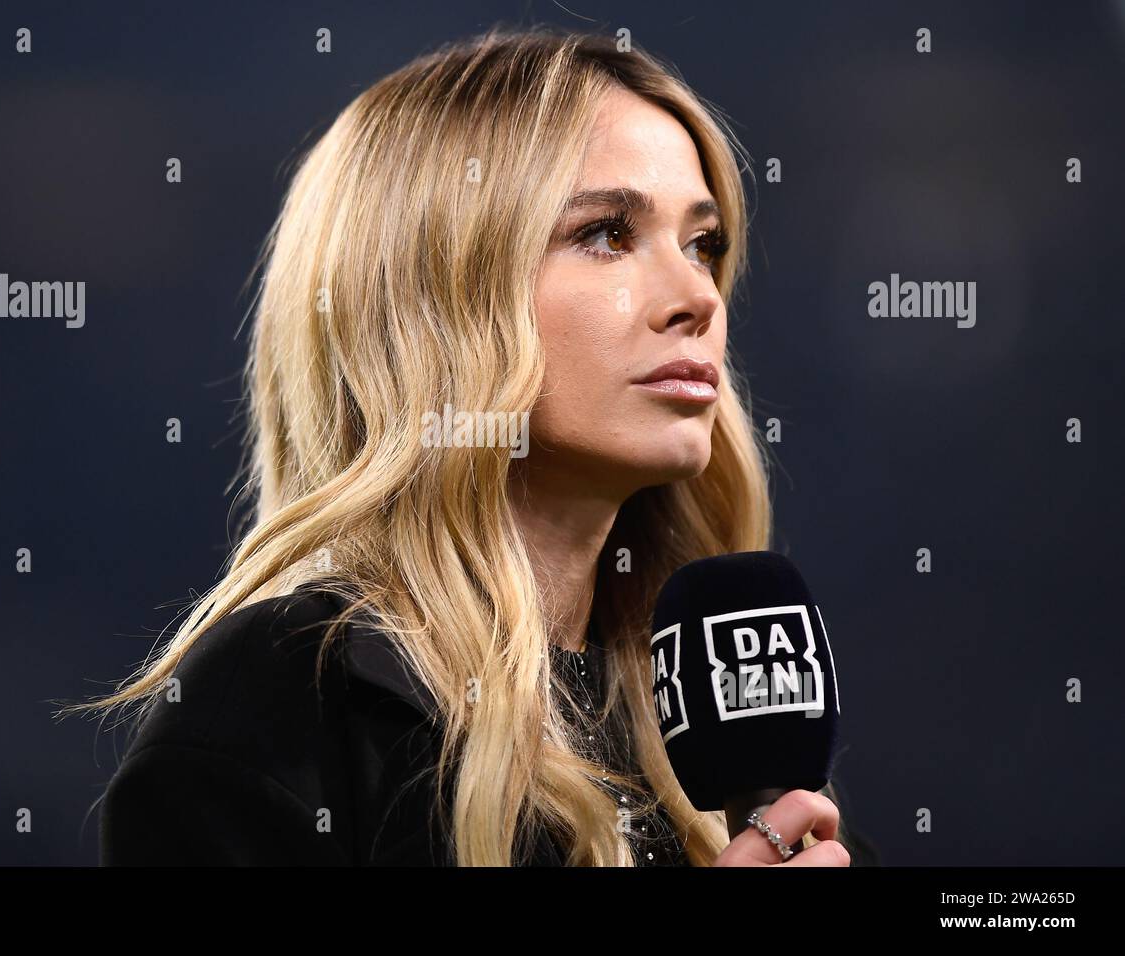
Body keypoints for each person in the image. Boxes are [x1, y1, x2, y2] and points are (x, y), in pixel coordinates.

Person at [71, 26, 879, 867]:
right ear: (430, 298)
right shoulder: (283, 708)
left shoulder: (720, 748)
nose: (697, 297)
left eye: (701, 244)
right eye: (606, 232)